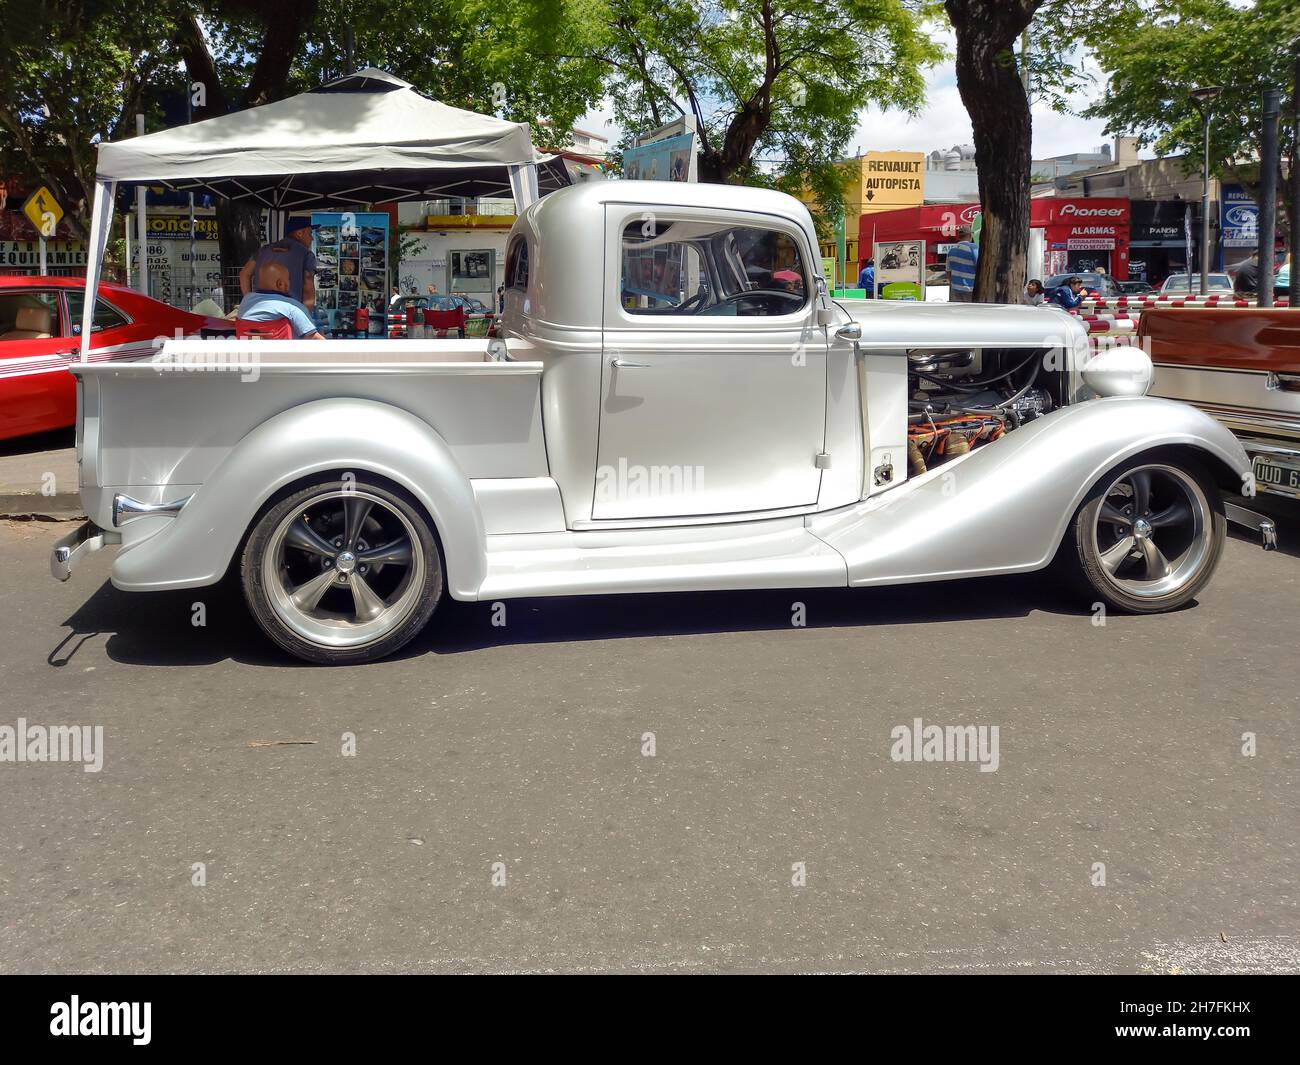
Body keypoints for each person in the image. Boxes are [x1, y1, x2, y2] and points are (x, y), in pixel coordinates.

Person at [239, 218, 317, 307]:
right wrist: (306, 315)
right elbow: (308, 285)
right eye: (310, 233)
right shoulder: (306, 254)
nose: (312, 238)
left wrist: (249, 300)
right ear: (299, 233)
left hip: (260, 307)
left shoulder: (263, 250)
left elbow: (244, 273)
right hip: (289, 311)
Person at [236, 289, 325, 339]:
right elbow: (314, 339)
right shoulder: (292, 306)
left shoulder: (244, 303)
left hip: (251, 365)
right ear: (281, 284)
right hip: (286, 363)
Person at [946, 232, 979, 302]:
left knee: (957, 311)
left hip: (955, 288)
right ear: (970, 235)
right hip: (970, 288)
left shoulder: (951, 250)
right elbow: (979, 266)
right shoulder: (973, 248)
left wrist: (953, 283)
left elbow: (948, 271)